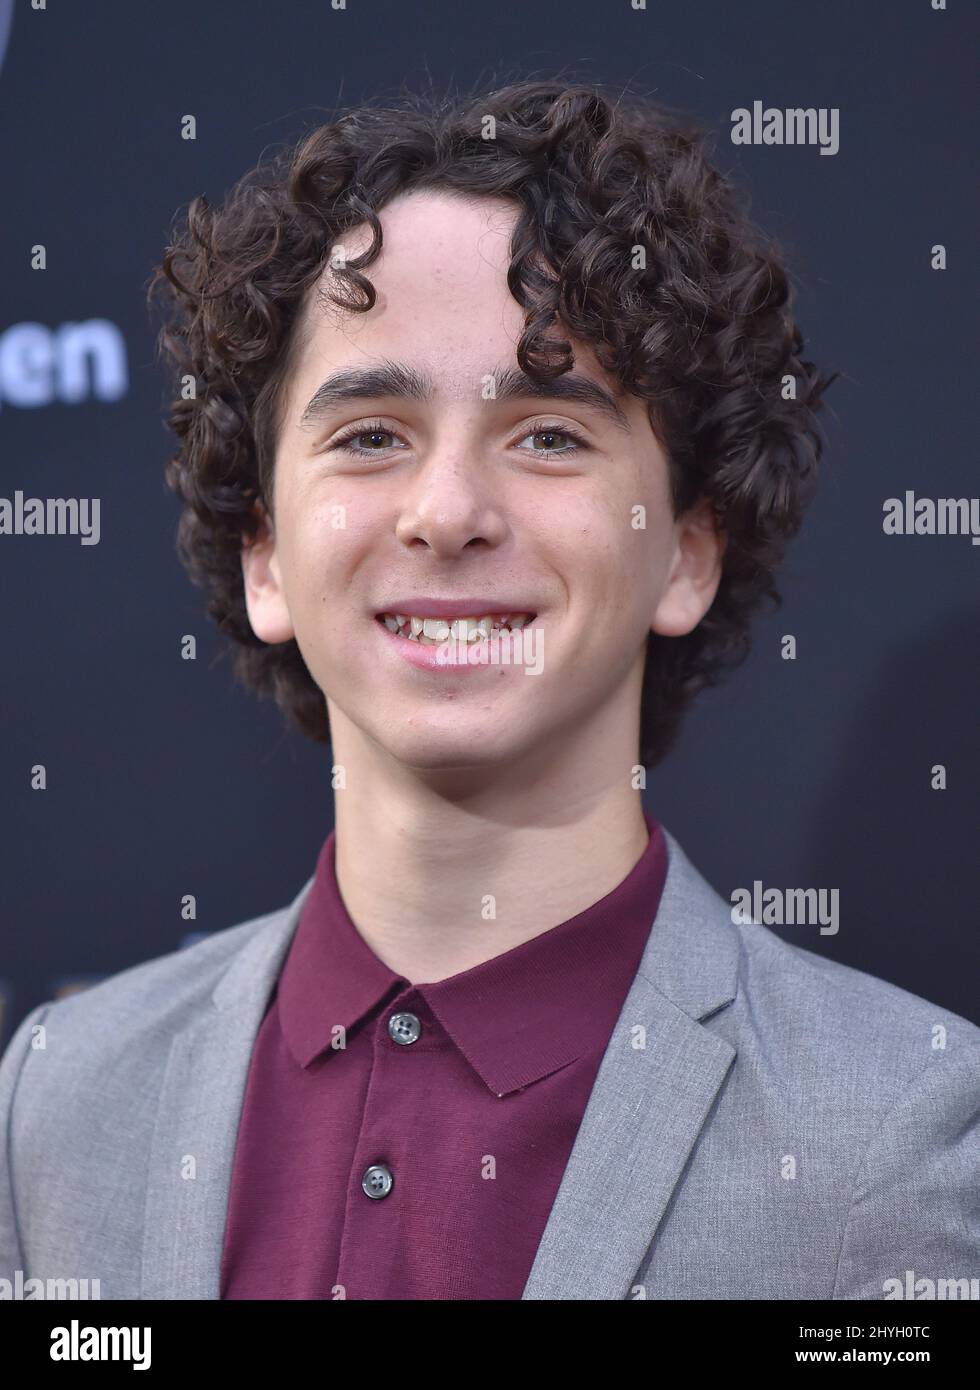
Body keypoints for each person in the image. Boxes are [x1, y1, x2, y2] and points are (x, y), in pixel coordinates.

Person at [1, 80, 977, 1302]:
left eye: (547, 433)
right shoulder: (59, 1101)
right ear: (265, 557)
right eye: (369, 434)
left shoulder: (900, 1134)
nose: (448, 512)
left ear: (684, 549)